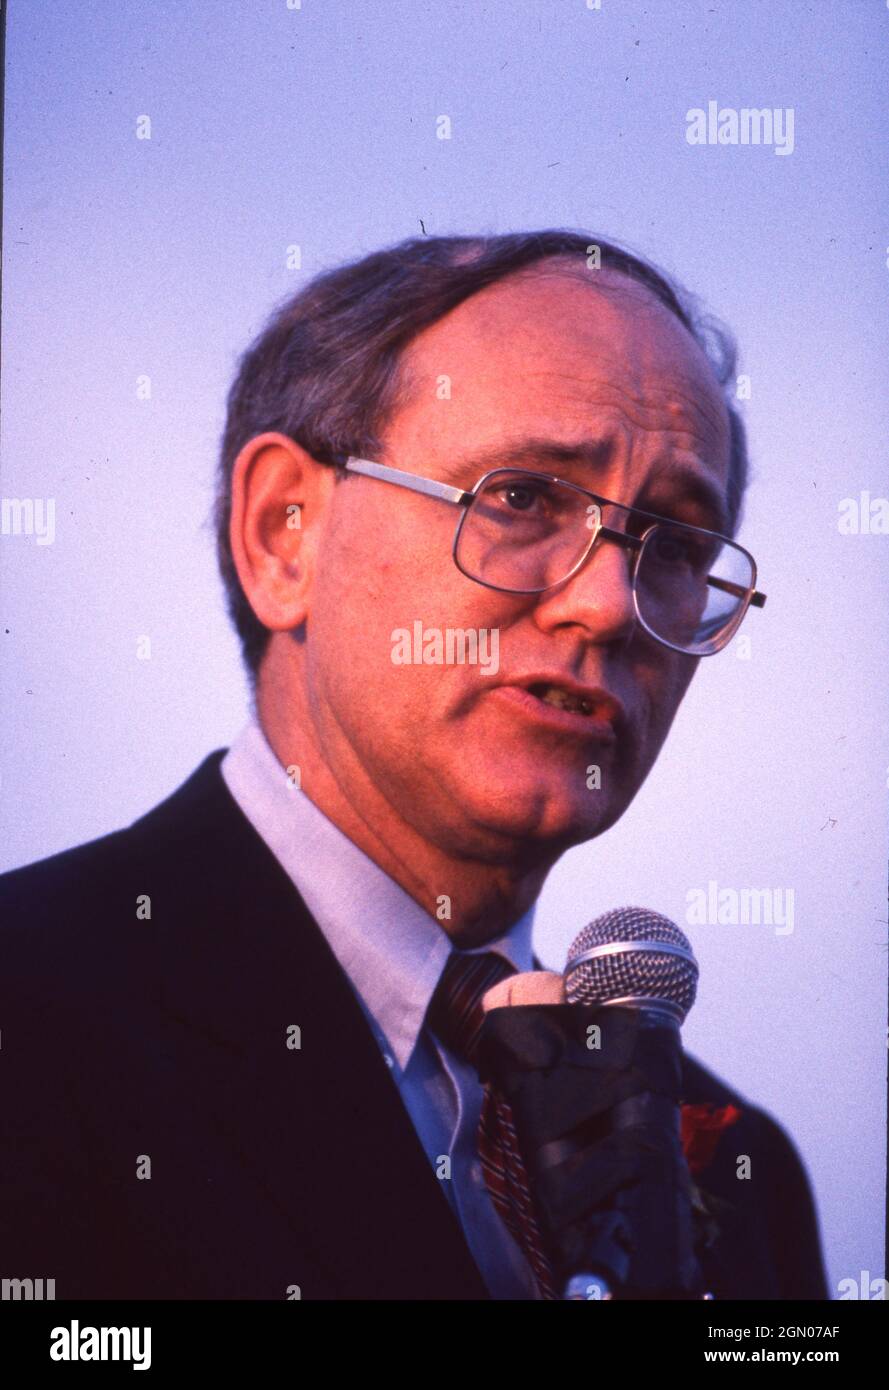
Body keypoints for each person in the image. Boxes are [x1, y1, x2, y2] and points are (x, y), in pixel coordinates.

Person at [0, 230, 828, 1300]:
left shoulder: (736, 1180)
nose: (604, 603)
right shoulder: (35, 1020)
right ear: (282, 534)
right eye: (523, 497)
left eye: (671, 546)